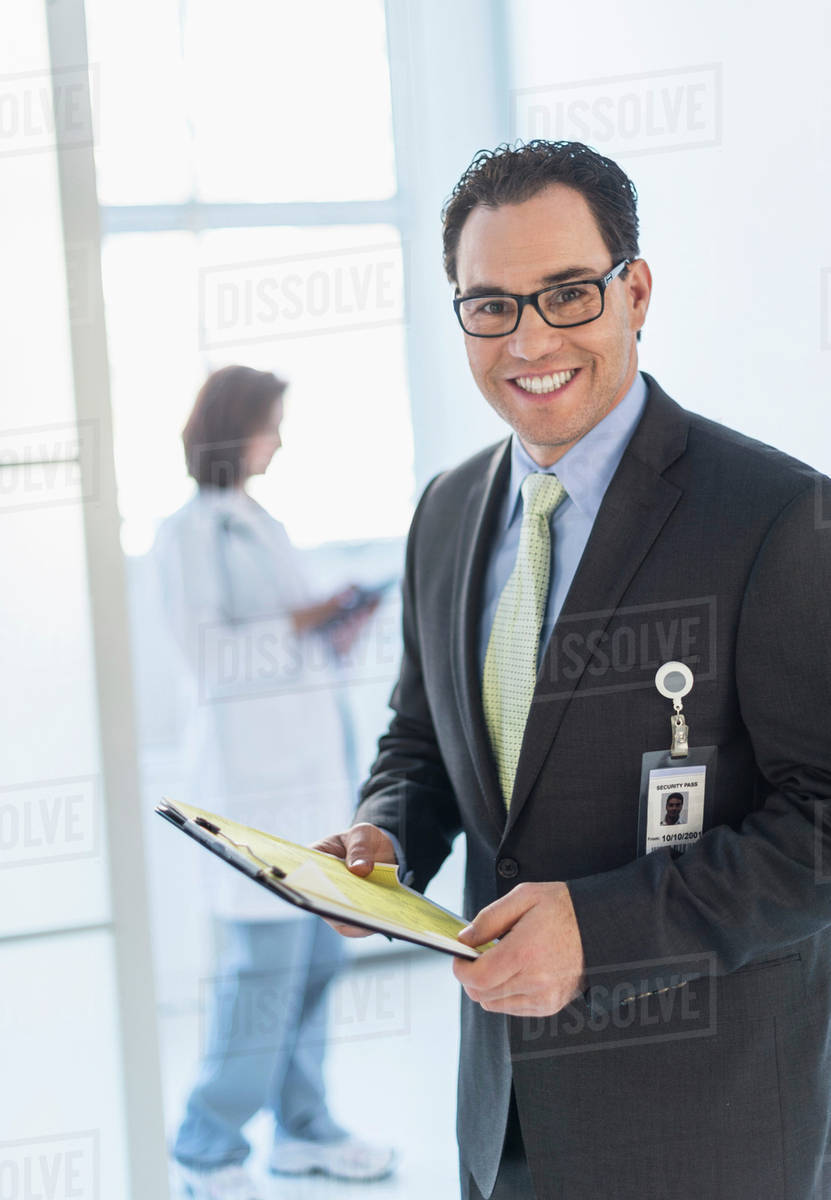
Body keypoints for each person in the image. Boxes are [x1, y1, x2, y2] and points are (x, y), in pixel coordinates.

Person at [314, 141, 831, 1199]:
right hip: (501, 1124)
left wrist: (600, 933)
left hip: (709, 1133)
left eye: (569, 294)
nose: (531, 340)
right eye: (492, 306)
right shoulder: (448, 512)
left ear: (635, 291)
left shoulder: (776, 517)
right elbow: (421, 742)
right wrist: (384, 837)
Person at [154, 365, 395, 1200]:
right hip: (251, 785)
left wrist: (339, 623)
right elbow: (210, 655)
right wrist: (306, 617)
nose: (280, 440)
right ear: (233, 427)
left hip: (310, 776)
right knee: (261, 978)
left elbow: (296, 653)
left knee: (318, 963)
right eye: (270, 425)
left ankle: (302, 1131)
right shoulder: (188, 533)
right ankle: (206, 1150)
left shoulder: (264, 522)